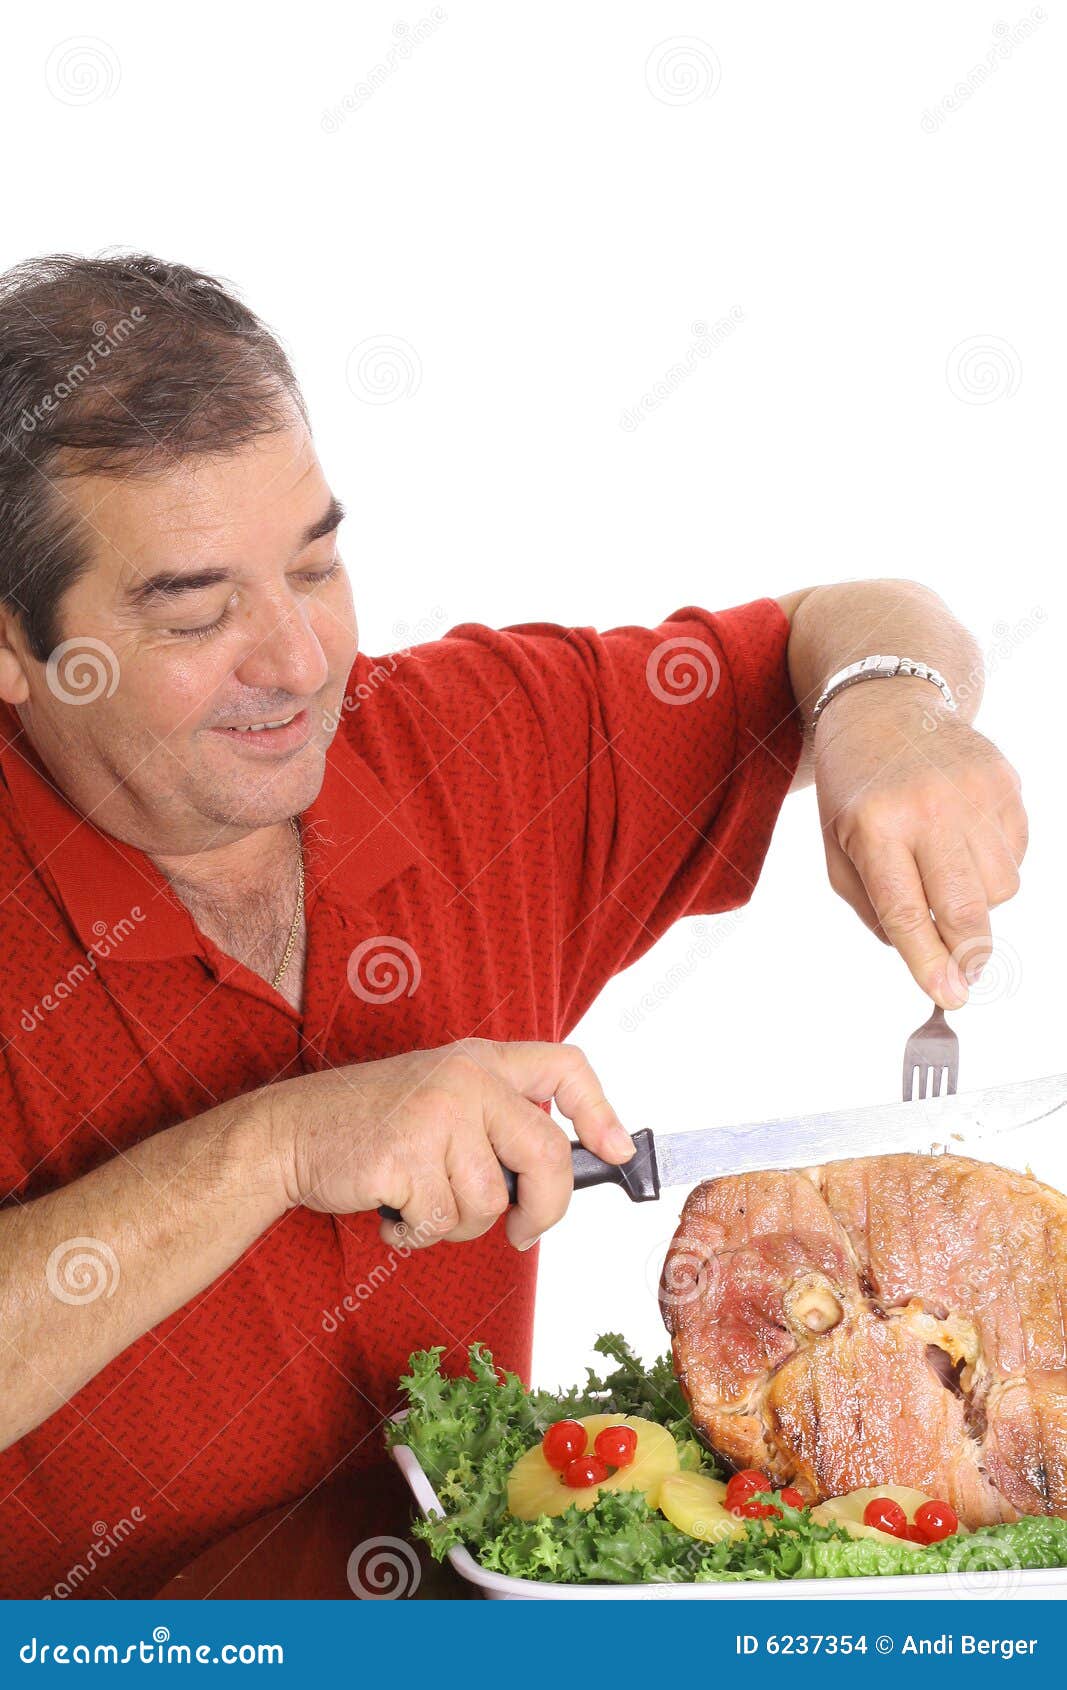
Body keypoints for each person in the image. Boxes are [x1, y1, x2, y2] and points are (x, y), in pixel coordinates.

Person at [0, 254, 1027, 1598]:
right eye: (197, 610)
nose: (300, 663)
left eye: (314, 565)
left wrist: (889, 708)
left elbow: (842, 626)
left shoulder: (467, 746)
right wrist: (273, 1145)